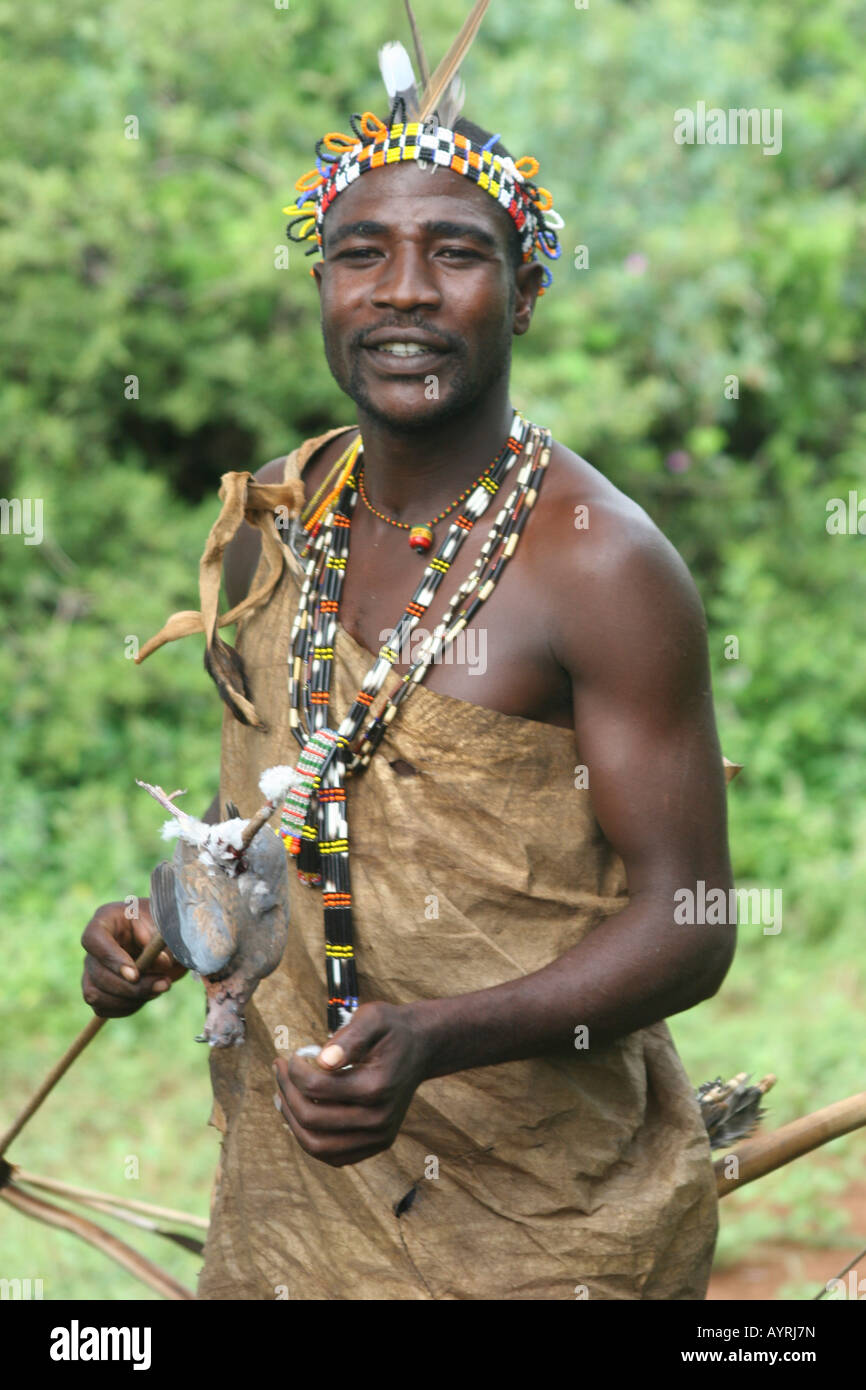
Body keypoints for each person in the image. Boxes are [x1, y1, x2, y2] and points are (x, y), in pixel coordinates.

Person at [81, 66, 735, 1300]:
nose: (402, 293)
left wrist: (435, 1040)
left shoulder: (601, 569)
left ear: (525, 289)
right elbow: (288, 811)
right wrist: (165, 925)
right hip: (291, 1220)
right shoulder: (283, 516)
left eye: (455, 252)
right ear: (319, 283)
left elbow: (690, 924)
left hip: (541, 1233)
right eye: (358, 251)